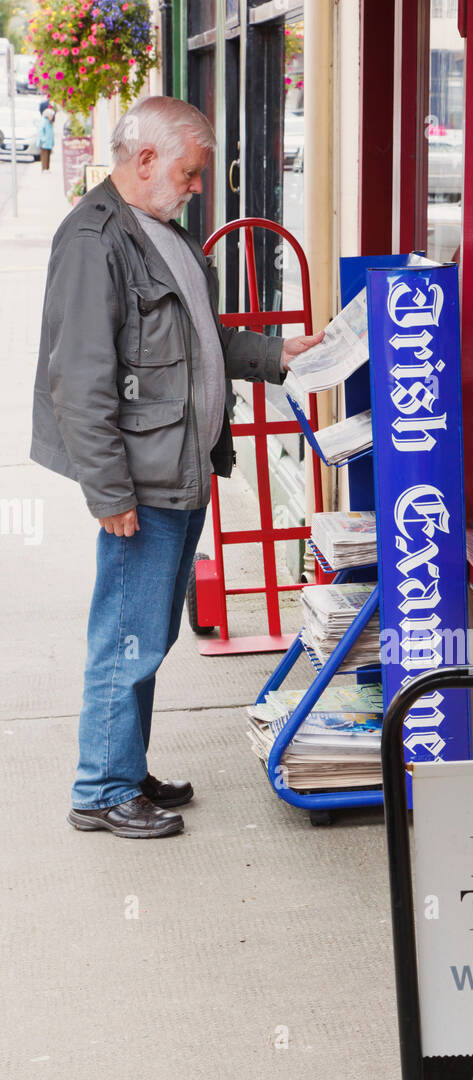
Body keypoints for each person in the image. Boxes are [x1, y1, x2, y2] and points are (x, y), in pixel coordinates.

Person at [30, 96, 323, 839]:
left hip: (178, 469)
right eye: (192, 172)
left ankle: (123, 769)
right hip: (142, 480)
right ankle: (100, 789)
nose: (199, 185)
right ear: (147, 158)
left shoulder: (160, 232)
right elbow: (80, 380)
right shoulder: (94, 240)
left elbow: (200, 337)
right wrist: (109, 491)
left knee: (147, 635)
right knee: (124, 637)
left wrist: (274, 355)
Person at [38, 105, 54, 171]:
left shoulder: (49, 122)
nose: (52, 117)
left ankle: (47, 168)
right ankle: (44, 168)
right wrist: (43, 139)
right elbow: (41, 131)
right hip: (45, 142)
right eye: (51, 115)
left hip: (49, 142)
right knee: (44, 155)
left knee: (48, 155)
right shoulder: (44, 121)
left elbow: (51, 133)